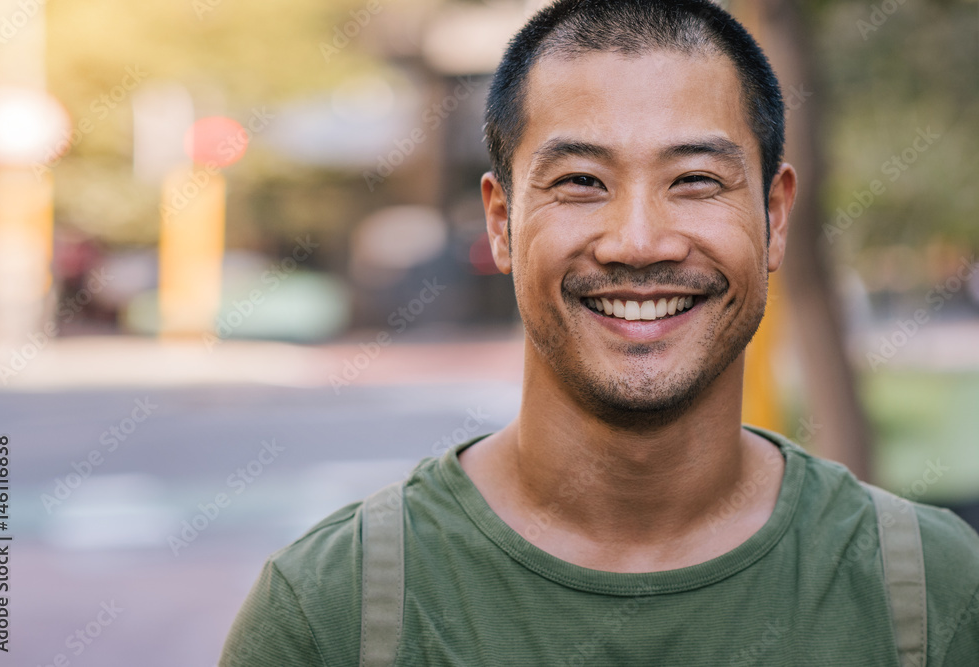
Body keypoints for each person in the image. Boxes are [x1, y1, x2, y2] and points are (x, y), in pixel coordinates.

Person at [219, 1, 979, 665]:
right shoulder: (333, 615)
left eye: (696, 180)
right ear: (503, 222)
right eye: (580, 182)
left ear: (775, 217)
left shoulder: (934, 598)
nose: (638, 241)